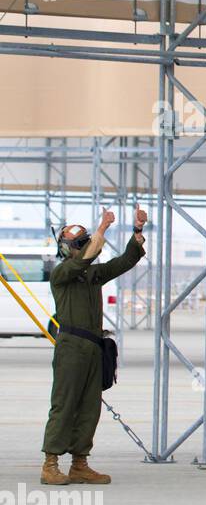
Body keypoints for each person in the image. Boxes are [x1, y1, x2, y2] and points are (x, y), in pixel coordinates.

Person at [39, 207, 147, 486]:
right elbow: (87, 258)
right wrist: (102, 229)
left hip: (92, 347)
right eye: (79, 243)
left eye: (84, 241)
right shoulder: (63, 273)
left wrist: (137, 232)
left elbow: (124, 262)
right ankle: (50, 463)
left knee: (89, 408)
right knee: (64, 404)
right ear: (67, 249)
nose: (84, 246)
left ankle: (79, 463)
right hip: (70, 347)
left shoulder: (91, 275)